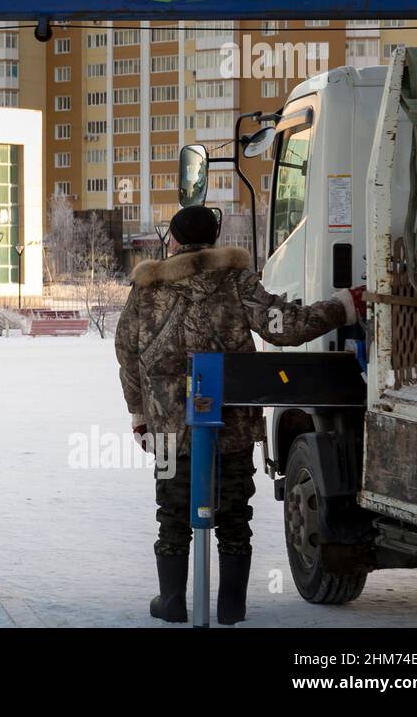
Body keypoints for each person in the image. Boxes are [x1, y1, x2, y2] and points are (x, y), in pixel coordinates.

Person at [114, 205, 364, 625]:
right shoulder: (236, 279)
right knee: (234, 515)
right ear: (212, 239)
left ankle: (172, 599)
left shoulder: (147, 288)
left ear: (173, 240)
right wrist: (343, 306)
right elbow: (285, 326)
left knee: (173, 512)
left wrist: (140, 413)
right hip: (230, 425)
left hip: (169, 427)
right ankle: (232, 604)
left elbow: (126, 351)